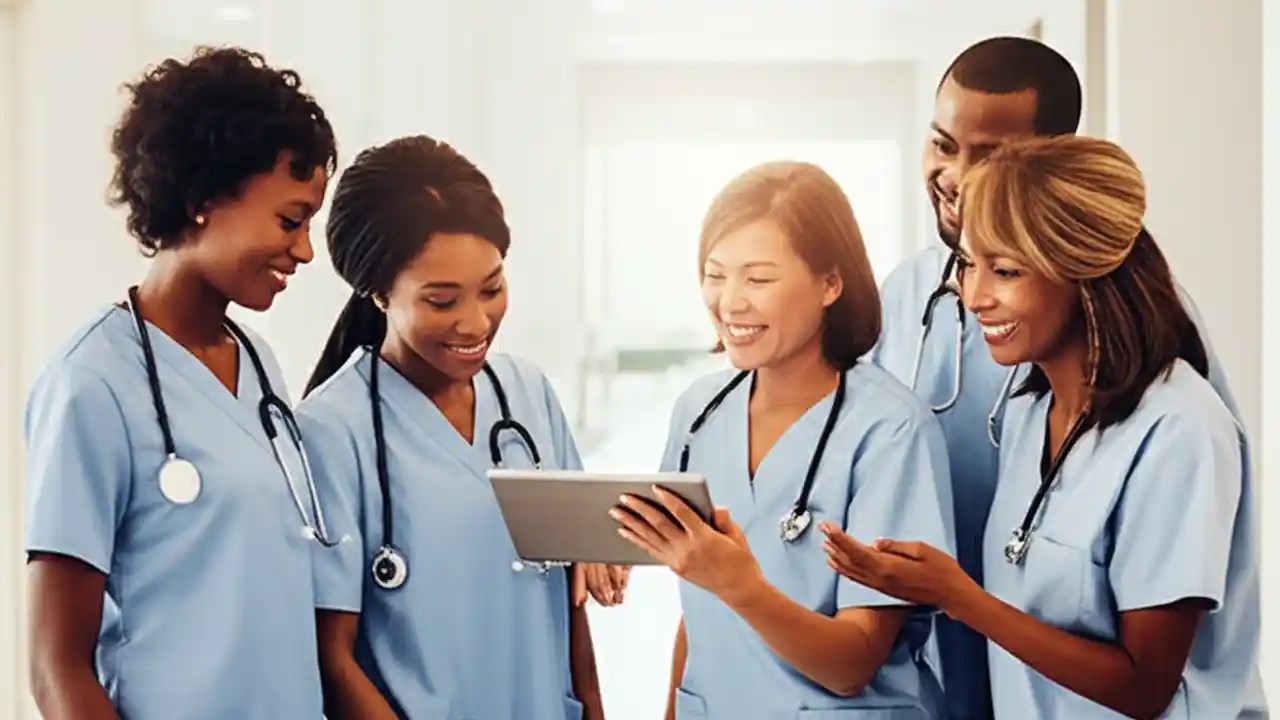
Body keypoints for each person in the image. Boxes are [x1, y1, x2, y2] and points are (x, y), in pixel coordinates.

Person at [826, 135, 1266, 719]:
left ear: (1083, 270)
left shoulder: (1179, 428)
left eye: (1004, 270)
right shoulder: (1028, 414)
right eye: (967, 264)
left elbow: (1144, 688)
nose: (974, 295)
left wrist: (959, 597)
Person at [23, 46, 338, 719]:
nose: (306, 250)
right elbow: (56, 669)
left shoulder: (260, 367)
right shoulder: (92, 383)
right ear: (202, 198)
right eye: (290, 220)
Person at [613, 161, 957, 719]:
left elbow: (853, 666)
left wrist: (743, 586)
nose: (730, 301)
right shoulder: (700, 413)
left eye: (759, 278)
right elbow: (701, 603)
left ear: (830, 283)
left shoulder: (889, 429)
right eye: (716, 273)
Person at [297, 135, 605, 719]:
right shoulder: (330, 432)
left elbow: (573, 605)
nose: (476, 322)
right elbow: (330, 657)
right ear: (378, 293)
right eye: (441, 301)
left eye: (492, 289)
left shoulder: (528, 394)